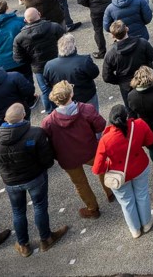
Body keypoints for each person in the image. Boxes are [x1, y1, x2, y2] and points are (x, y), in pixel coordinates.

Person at [0, 101, 67, 257]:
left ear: (5, 118)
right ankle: (46, 239)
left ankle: (23, 245)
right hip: (35, 178)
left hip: (11, 182)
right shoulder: (36, 133)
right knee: (39, 207)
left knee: (18, 211)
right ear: (23, 115)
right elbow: (47, 160)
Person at [40, 80, 106, 219]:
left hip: (68, 158)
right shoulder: (86, 109)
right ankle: (111, 192)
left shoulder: (48, 122)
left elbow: (47, 142)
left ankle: (93, 209)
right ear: (71, 94)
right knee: (102, 169)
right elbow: (100, 126)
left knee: (80, 184)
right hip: (90, 149)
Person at [92, 103, 153, 239]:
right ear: (126, 116)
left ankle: (135, 230)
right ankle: (146, 222)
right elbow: (150, 140)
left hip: (118, 175)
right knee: (142, 194)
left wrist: (109, 165)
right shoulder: (139, 124)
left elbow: (97, 168)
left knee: (126, 202)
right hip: (139, 166)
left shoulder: (105, 139)